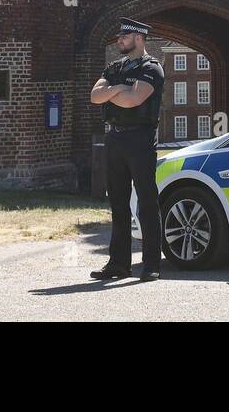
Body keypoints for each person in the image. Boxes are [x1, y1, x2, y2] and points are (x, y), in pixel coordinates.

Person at [89, 17, 165, 281]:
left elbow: (134, 100)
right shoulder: (115, 67)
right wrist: (120, 87)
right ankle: (118, 264)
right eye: (119, 36)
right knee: (118, 203)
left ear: (139, 38)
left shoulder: (152, 68)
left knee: (146, 202)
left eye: (125, 36)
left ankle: (151, 264)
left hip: (140, 139)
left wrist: (113, 92)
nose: (119, 40)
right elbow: (94, 96)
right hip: (115, 139)